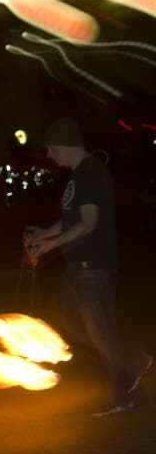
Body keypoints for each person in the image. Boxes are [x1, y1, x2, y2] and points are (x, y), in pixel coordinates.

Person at [23, 117, 152, 417]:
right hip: (77, 266)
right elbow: (71, 219)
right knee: (76, 327)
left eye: (52, 149)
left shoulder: (91, 174)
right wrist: (45, 234)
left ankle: (121, 396)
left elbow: (89, 224)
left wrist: (50, 246)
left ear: (64, 146)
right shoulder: (79, 175)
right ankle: (136, 362)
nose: (50, 155)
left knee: (100, 333)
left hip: (93, 265)